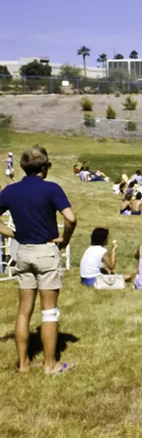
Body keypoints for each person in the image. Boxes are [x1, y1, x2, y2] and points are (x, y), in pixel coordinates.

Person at [0, 146, 77, 375]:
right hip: (46, 251)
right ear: (45, 166)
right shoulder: (50, 188)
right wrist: (65, 239)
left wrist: (12, 234)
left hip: (23, 251)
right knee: (49, 311)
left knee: (24, 311)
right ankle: (50, 364)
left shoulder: (10, 191)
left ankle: (23, 363)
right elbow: (71, 218)